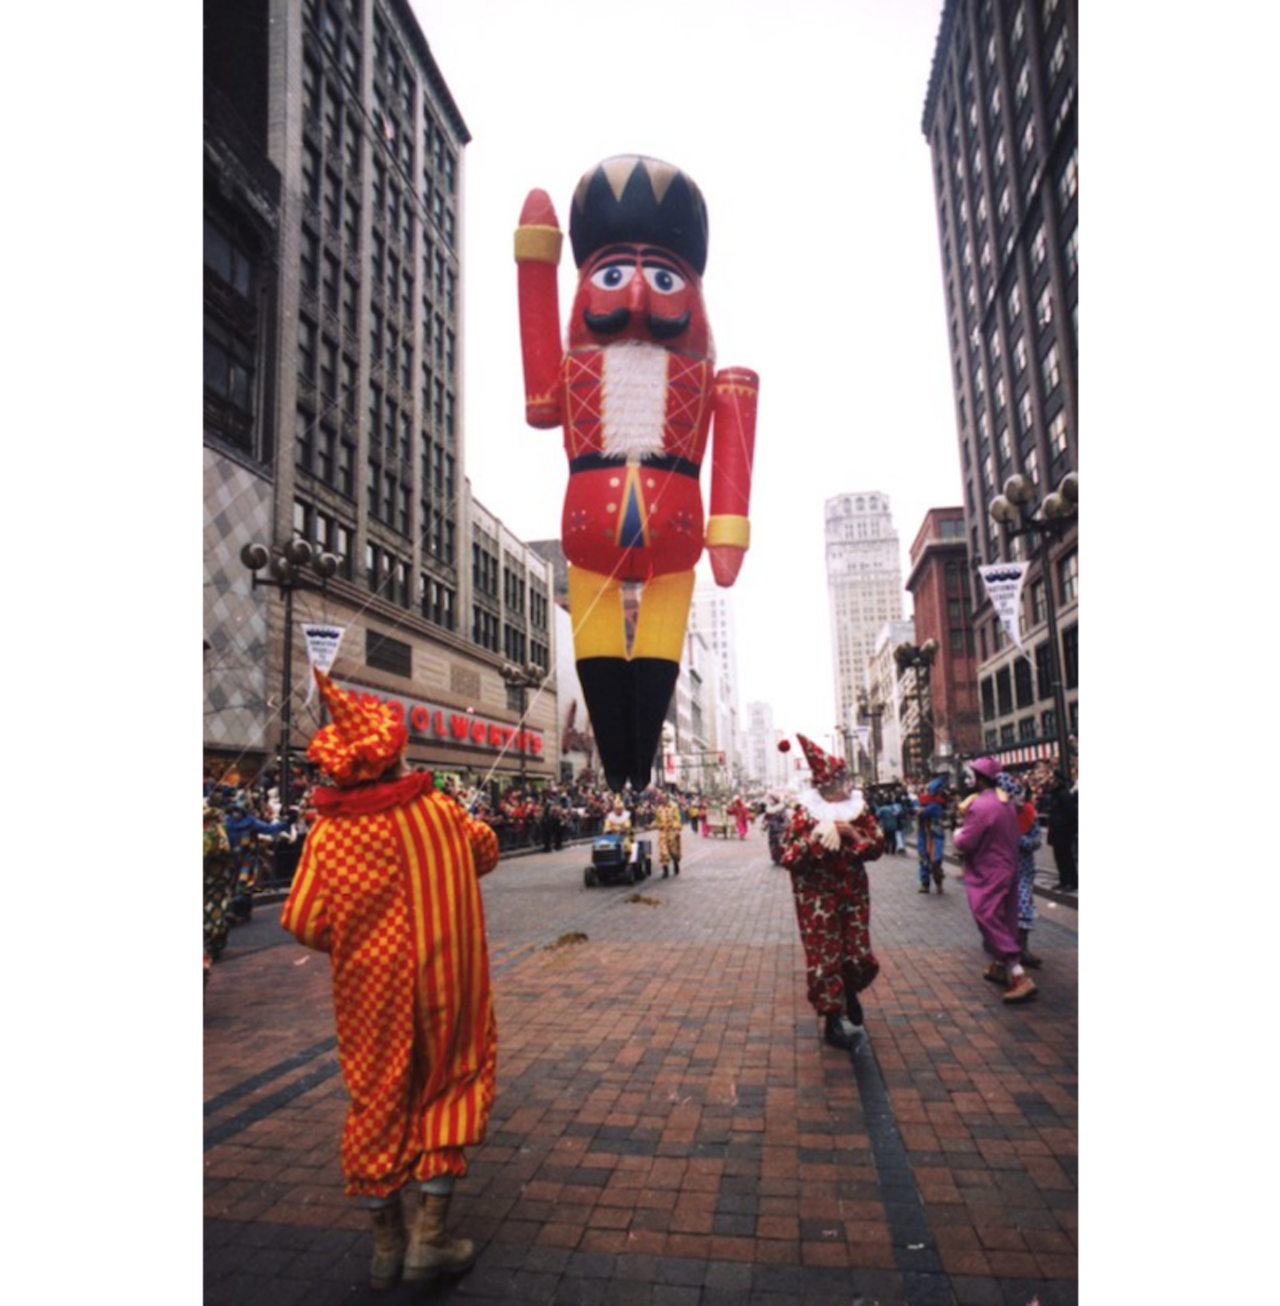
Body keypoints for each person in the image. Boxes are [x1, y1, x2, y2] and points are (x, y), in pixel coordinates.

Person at [282, 670, 500, 1290]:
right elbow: (484, 852)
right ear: (394, 754)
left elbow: (301, 919)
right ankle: (430, 1239)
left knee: (377, 1095)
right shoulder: (439, 813)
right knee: (450, 1082)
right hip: (447, 981)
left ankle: (387, 1248)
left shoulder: (328, 836)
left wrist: (355, 934)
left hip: (369, 990)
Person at [780, 734, 885, 1050]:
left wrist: (853, 834)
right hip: (817, 899)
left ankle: (849, 991)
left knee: (857, 952)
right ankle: (832, 1019)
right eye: (840, 781)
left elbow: (876, 846)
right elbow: (788, 857)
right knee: (825, 957)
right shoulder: (805, 813)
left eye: (846, 779)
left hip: (852, 894)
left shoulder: (858, 811)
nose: (847, 786)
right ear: (826, 786)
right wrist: (815, 841)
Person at [953, 758, 1036, 1004]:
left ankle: (1016, 971)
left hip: (988, 870)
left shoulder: (980, 806)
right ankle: (1002, 965)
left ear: (979, 779)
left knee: (986, 915)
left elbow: (966, 841)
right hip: (1008, 867)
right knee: (1006, 915)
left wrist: (958, 834)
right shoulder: (1006, 803)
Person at [654, 791, 683, 877]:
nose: (662, 800)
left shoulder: (673, 807)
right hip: (663, 832)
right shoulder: (659, 809)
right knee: (663, 851)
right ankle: (665, 870)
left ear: (667, 799)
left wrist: (676, 828)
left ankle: (675, 862)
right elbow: (657, 820)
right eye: (661, 798)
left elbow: (677, 818)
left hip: (671, 831)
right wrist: (652, 825)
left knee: (673, 851)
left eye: (664, 798)